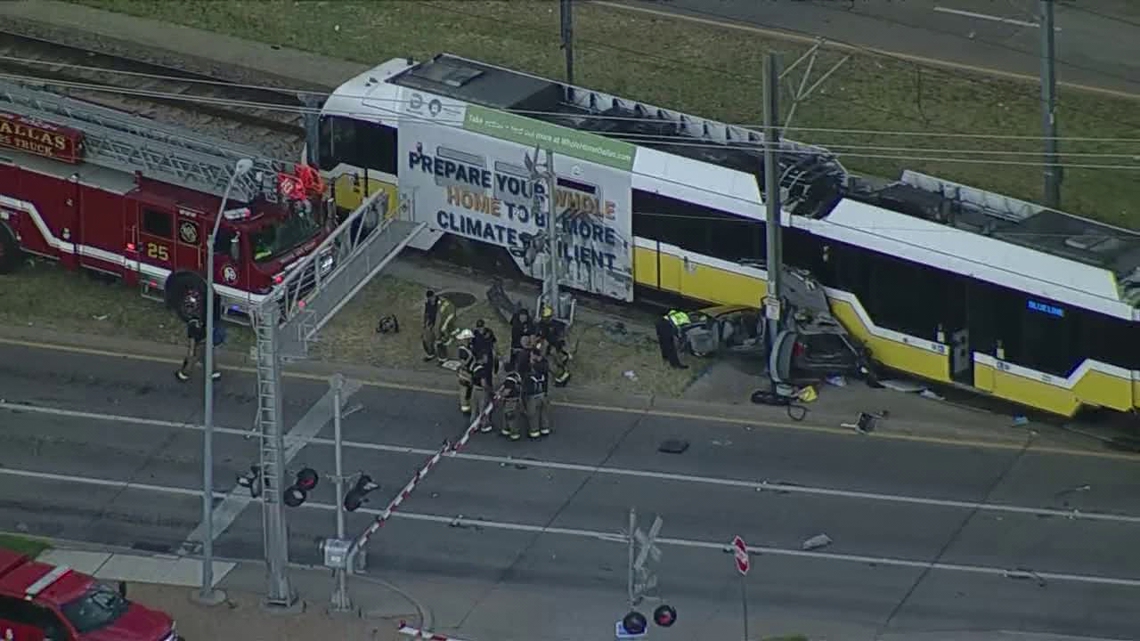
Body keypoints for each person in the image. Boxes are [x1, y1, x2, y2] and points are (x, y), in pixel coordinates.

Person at [175, 309, 222, 382]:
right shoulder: (203, 321)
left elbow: (192, 340)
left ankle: (184, 375)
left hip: (199, 345)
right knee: (210, 358)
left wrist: (191, 352)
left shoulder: (191, 326)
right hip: (207, 342)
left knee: (192, 360)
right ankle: (215, 373)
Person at [536, 305, 572, 386]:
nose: (546, 319)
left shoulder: (556, 325)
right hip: (545, 346)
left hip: (555, 345)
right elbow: (539, 337)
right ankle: (557, 374)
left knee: (554, 354)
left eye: (547, 317)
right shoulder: (540, 325)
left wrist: (563, 346)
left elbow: (562, 335)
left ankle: (562, 372)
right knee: (550, 359)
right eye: (544, 317)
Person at [523, 348, 552, 438]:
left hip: (533, 397)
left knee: (533, 415)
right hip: (543, 394)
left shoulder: (530, 374)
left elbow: (525, 388)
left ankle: (534, 432)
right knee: (544, 413)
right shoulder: (544, 367)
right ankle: (545, 429)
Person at [422, 290, 457, 362]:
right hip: (431, 323)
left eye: (432, 297)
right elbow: (427, 313)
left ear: (434, 296)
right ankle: (430, 354)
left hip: (440, 324)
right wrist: (425, 324)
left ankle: (442, 358)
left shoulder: (442, 303)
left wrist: (445, 325)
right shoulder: (428, 304)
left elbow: (450, 312)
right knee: (427, 339)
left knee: (440, 341)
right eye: (430, 298)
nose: (432, 299)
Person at [498, 362, 525, 442]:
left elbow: (507, 391)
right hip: (516, 399)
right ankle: (506, 430)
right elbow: (505, 385)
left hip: (510, 401)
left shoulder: (509, 380)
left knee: (511, 417)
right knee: (508, 415)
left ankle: (514, 434)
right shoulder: (516, 376)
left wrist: (500, 396)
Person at [455, 328, 476, 414]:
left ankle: (466, 404)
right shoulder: (463, 351)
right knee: (465, 390)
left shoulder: (469, 347)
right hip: (465, 373)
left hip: (469, 372)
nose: (470, 340)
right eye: (468, 339)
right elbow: (463, 364)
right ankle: (464, 407)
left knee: (469, 390)